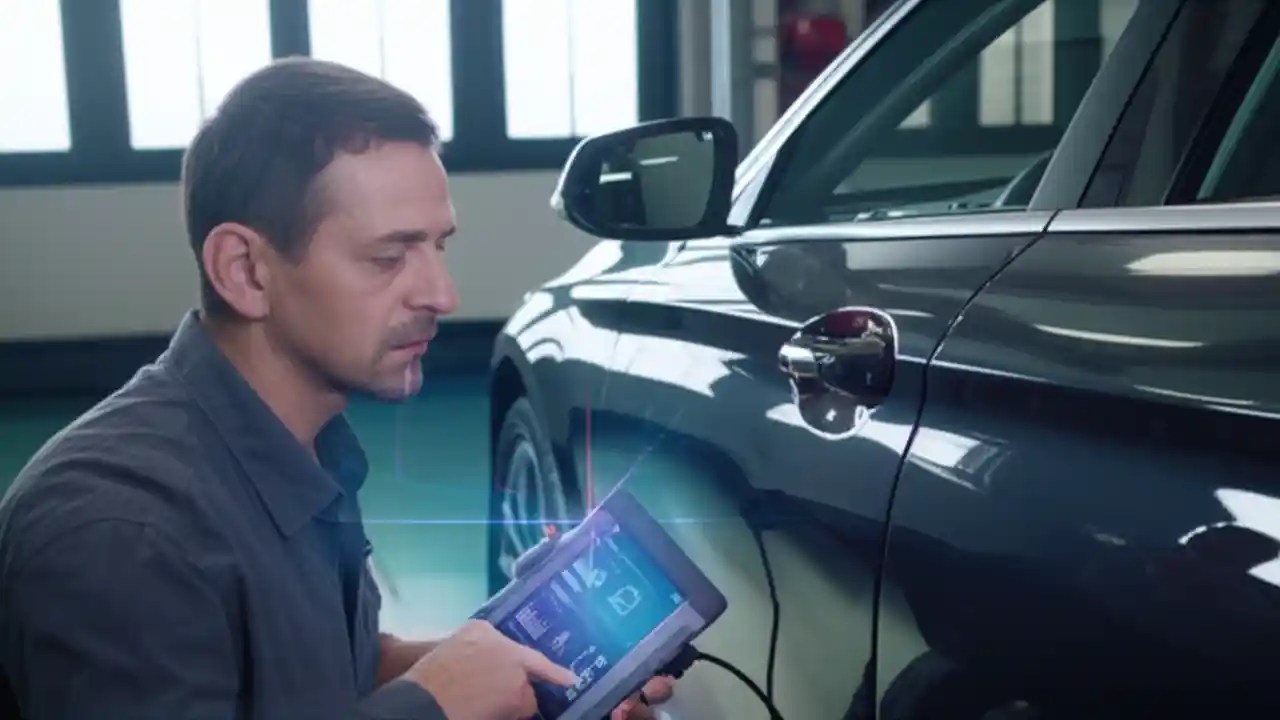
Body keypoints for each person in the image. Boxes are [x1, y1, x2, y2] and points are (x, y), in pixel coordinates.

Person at [0, 58, 672, 720]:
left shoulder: (306, 447)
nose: (443, 294)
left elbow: (326, 674)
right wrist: (430, 707)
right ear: (246, 272)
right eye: (387, 258)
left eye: (438, 247)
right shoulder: (121, 537)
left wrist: (508, 659)